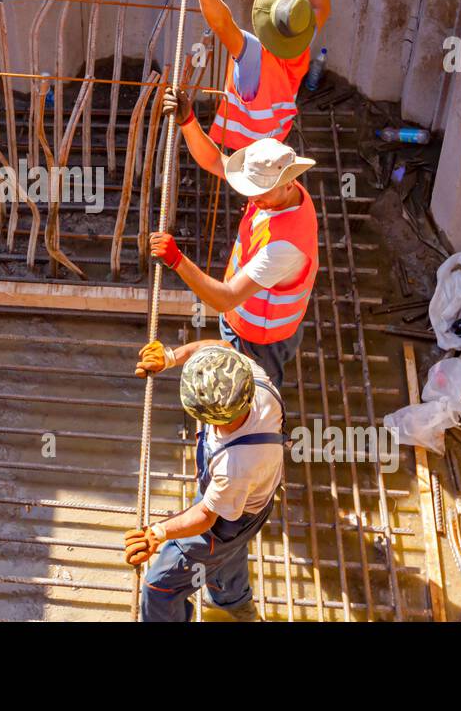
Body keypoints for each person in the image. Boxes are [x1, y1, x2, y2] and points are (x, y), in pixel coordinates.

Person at [125, 342, 288, 622]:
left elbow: (205, 516)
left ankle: (229, 603)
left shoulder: (234, 466)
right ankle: (239, 609)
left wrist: (157, 533)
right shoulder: (254, 382)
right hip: (255, 504)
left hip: (226, 520)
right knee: (227, 556)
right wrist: (171, 357)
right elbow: (221, 346)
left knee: (159, 588)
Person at [149, 135, 318, 389]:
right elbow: (216, 160)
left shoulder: (285, 247)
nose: (253, 200)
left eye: (260, 194)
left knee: (252, 390)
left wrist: (176, 260)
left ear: (289, 183)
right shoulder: (281, 195)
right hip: (246, 319)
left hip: (262, 338)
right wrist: (188, 122)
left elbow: (226, 298)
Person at [177, 0, 330, 152]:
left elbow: (222, 24)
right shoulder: (302, 38)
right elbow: (322, 7)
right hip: (277, 135)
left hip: (242, 145)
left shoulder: (253, 53)